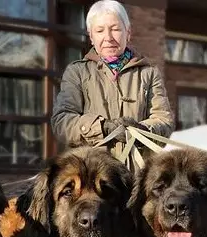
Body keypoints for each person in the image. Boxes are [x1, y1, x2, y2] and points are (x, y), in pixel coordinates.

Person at [51, 0, 174, 167]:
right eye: (100, 31)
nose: (108, 38)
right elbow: (62, 121)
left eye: (115, 29)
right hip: (94, 176)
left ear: (128, 33)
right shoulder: (77, 72)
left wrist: (141, 130)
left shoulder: (149, 73)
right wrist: (103, 127)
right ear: (91, 37)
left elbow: (164, 120)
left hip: (137, 176)